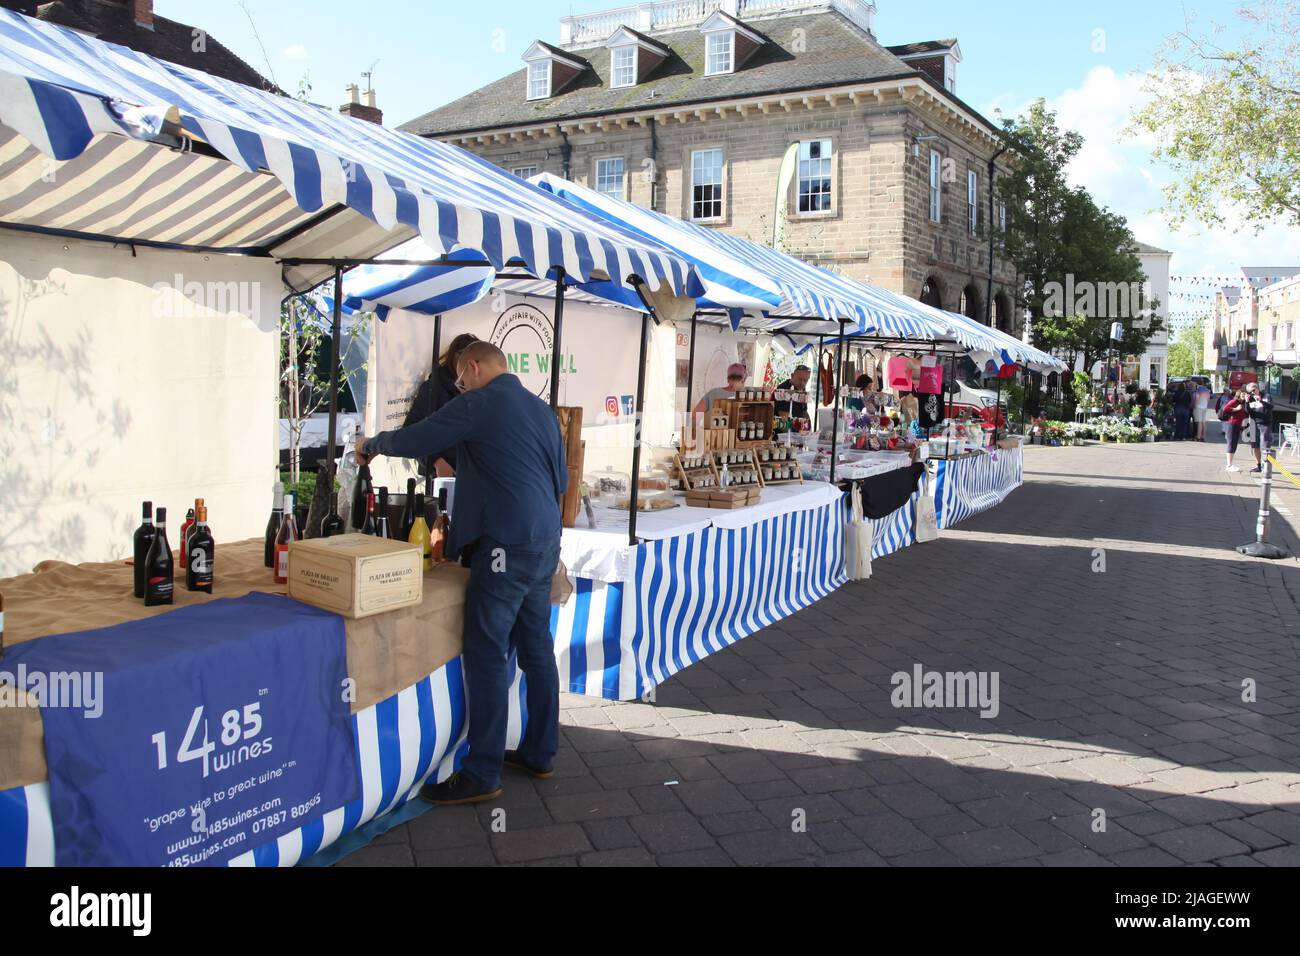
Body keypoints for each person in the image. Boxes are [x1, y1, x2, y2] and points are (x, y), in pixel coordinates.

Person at [356, 342, 566, 805]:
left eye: (459, 379)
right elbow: (561, 480)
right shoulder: (540, 408)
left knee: (485, 651)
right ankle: (540, 751)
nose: (459, 387)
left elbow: (417, 438)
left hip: (505, 547)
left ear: (472, 367)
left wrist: (372, 446)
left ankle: (482, 770)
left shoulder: (480, 402)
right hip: (544, 539)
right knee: (535, 648)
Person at [403, 332, 479, 477]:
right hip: (442, 476)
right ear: (456, 357)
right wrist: (435, 461)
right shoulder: (433, 388)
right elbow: (410, 432)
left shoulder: (480, 389)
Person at [1243, 382, 1275, 473]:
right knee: (1255, 445)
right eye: (1250, 392)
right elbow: (1247, 412)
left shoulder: (1266, 396)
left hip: (1265, 424)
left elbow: (1271, 407)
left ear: (1257, 389)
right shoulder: (1250, 399)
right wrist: (1246, 401)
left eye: (1254, 390)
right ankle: (1258, 465)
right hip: (1253, 424)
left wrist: (1260, 401)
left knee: (1265, 445)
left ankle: (1266, 466)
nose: (1253, 393)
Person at [1220, 389, 1249, 472]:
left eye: (1245, 394)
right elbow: (1225, 409)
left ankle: (1230, 464)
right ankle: (1229, 465)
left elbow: (1247, 412)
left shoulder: (1243, 403)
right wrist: (1236, 409)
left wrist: (1246, 402)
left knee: (1234, 444)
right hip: (1232, 425)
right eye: (1243, 394)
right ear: (1239, 395)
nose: (1244, 396)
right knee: (1231, 443)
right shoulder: (1234, 401)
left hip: (1238, 425)